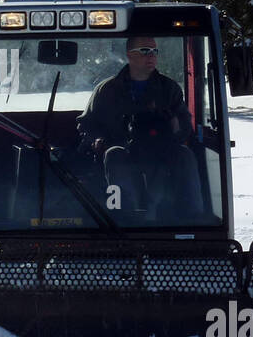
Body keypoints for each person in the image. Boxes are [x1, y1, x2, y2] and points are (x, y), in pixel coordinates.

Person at [76, 36, 205, 217]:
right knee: (114, 155)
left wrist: (176, 127)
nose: (151, 56)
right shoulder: (107, 90)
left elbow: (184, 126)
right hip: (123, 150)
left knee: (185, 155)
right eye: (145, 51)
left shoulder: (169, 89)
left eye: (154, 51)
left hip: (161, 151)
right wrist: (97, 140)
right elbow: (87, 124)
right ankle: (125, 218)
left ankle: (193, 218)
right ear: (130, 55)